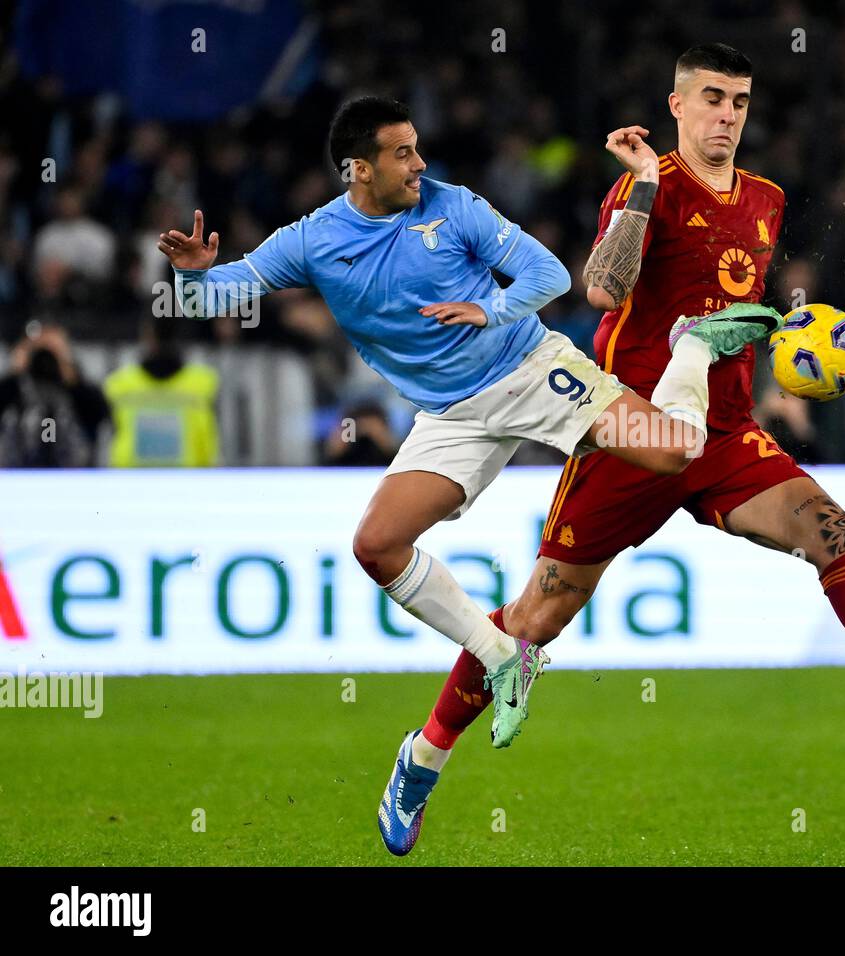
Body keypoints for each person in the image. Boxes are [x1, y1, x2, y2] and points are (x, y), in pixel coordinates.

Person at [396, 44, 845, 852]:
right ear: (678, 106)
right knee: (531, 621)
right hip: (633, 434)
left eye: (739, 101)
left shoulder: (765, 199)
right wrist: (649, 188)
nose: (727, 114)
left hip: (724, 434)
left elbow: (727, 312)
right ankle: (422, 757)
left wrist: (770, 382)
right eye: (713, 99)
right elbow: (605, 290)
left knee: (833, 530)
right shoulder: (642, 186)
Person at [155, 95, 781, 856]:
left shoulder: (456, 208)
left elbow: (548, 274)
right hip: (451, 417)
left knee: (677, 450)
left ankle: (694, 345)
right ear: (360, 168)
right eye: (402, 154)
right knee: (376, 544)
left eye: (419, 149)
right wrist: (193, 278)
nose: (420, 165)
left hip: (531, 367)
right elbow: (228, 289)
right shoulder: (315, 240)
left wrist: (492, 311)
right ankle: (500, 656)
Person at [103, 317, 220, 467]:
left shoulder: (119, 384)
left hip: (132, 482)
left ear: (148, 335)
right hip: (188, 482)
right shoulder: (202, 383)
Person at [0, 323, 109, 467]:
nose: (45, 360)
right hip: (18, 476)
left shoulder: (75, 389)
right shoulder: (16, 389)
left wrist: (71, 375)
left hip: (73, 477)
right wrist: (15, 373)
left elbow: (100, 415)